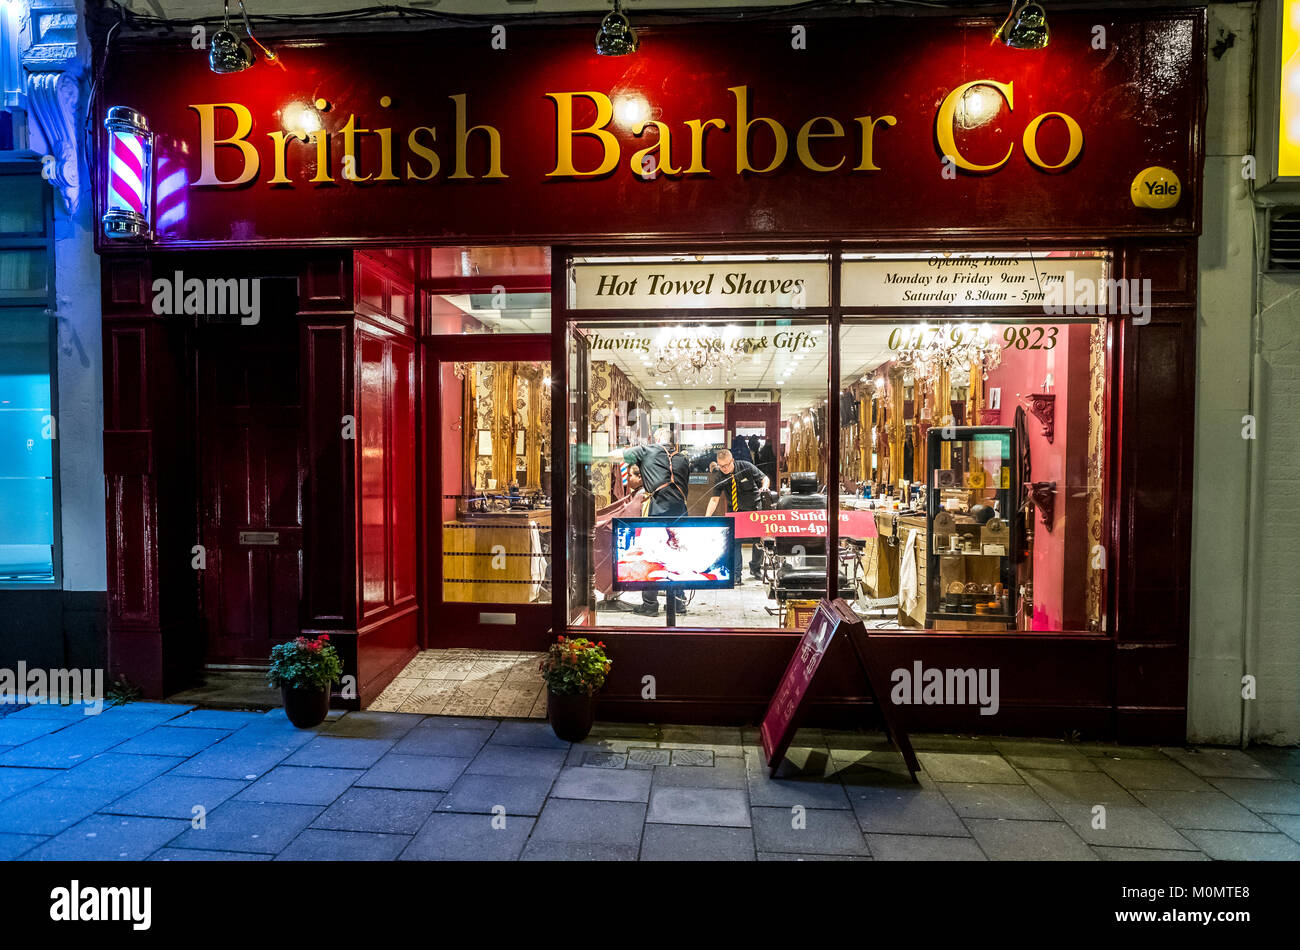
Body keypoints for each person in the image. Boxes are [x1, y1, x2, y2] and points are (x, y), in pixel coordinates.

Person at [610, 429, 690, 617]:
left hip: (657, 510)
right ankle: (679, 603)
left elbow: (616, 456)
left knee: (650, 556)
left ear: (656, 439)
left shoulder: (648, 450)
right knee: (677, 556)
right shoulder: (683, 459)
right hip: (681, 512)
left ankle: (650, 605)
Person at [706, 448, 770, 582]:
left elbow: (765, 478)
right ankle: (736, 575)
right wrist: (707, 518)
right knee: (735, 542)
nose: (723, 468)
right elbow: (714, 499)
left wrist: (764, 487)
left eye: (726, 465)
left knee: (758, 541)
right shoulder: (719, 476)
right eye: (721, 466)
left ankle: (755, 568)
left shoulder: (745, 466)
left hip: (754, 507)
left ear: (732, 461)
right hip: (735, 510)